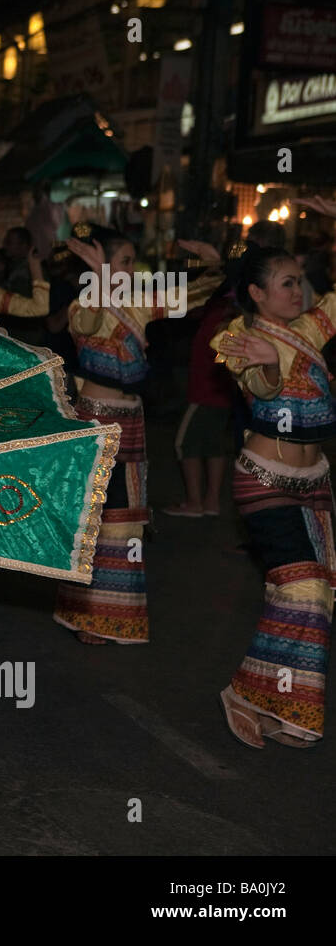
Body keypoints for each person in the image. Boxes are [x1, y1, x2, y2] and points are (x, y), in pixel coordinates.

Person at [53, 223, 224, 644]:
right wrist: (102, 281)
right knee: (94, 516)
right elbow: (91, 321)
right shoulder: (83, 305)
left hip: (132, 419)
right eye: (125, 262)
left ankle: (115, 616)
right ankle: (86, 614)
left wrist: (216, 262)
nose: (132, 270)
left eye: (132, 262)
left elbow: (197, 296)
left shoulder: (140, 305)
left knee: (126, 518)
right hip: (94, 419)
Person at [211, 229, 335, 748]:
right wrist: (265, 364)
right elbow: (260, 388)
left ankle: (282, 701)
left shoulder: (308, 330)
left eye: (302, 282)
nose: (298, 292)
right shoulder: (233, 340)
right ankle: (244, 691)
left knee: (319, 594)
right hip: (264, 478)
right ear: (257, 293)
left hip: (317, 479)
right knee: (304, 588)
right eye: (287, 283)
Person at [165, 277, 236, 517]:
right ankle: (211, 502)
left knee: (185, 444)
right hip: (218, 394)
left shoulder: (223, 317)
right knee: (213, 446)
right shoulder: (218, 312)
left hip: (207, 394)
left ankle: (195, 502)